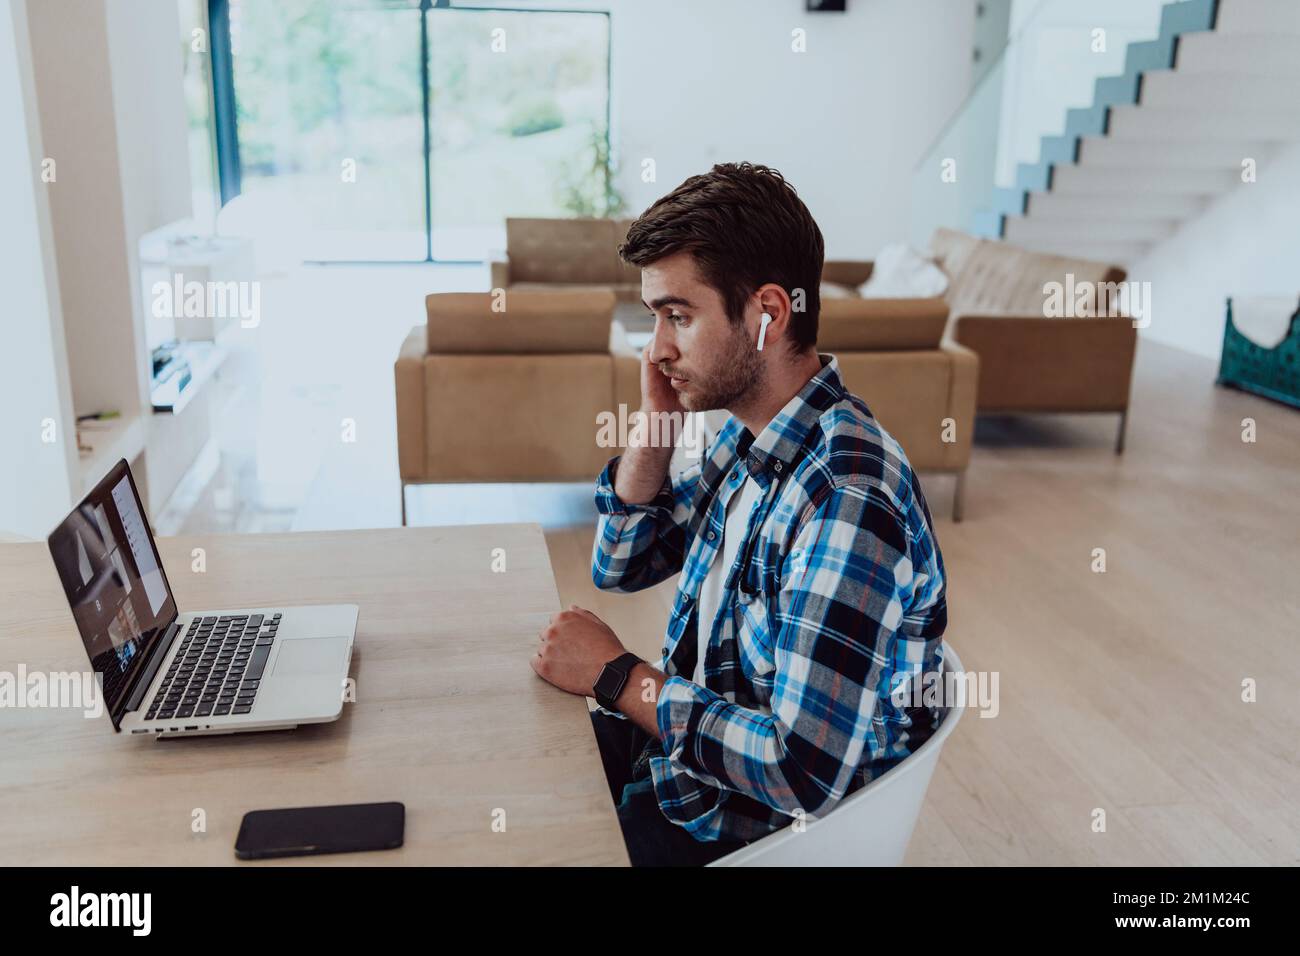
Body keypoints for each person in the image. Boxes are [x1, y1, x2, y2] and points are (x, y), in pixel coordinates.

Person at [531, 162, 948, 866]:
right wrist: (656, 430)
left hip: (742, 829)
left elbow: (801, 772)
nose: (658, 349)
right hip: (690, 766)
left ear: (767, 316)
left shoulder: (847, 497)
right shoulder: (753, 438)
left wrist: (616, 676)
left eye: (678, 316)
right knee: (506, 758)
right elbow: (619, 562)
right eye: (655, 318)